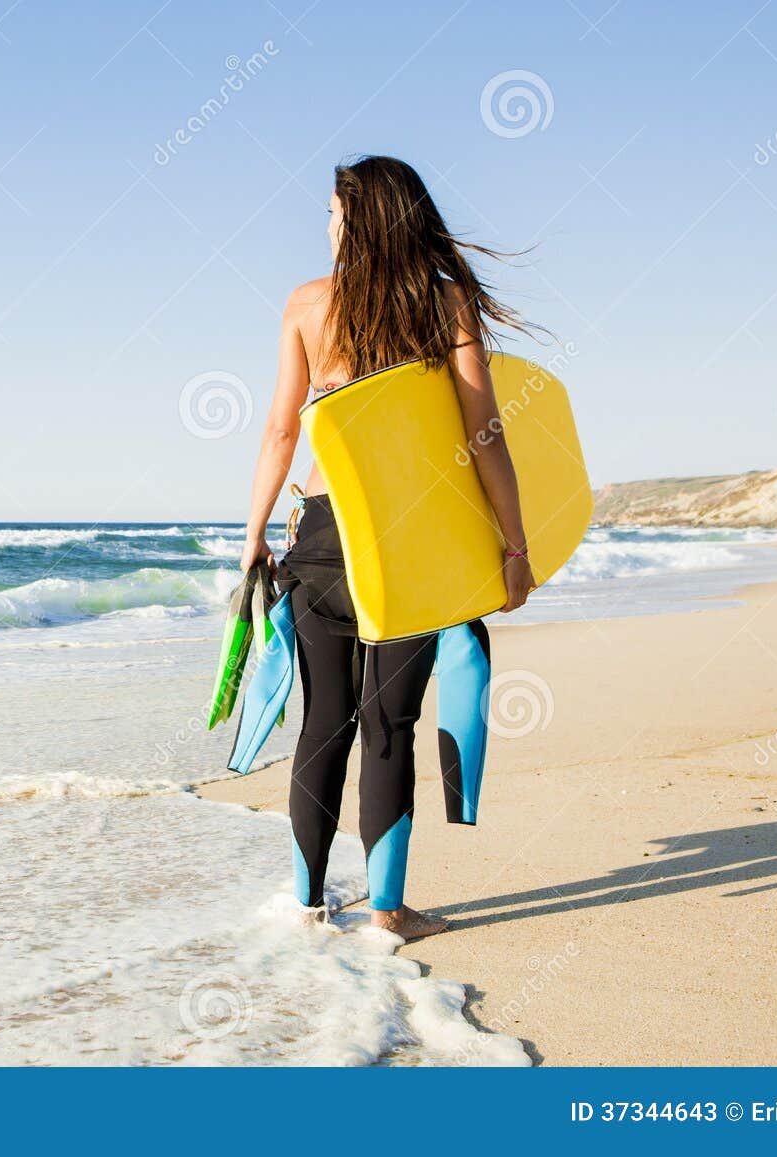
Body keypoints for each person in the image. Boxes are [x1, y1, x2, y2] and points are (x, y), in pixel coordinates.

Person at [239, 155, 538, 941]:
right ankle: (387, 911)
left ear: (362, 218)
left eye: (334, 212)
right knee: (387, 727)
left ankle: (306, 905)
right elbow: (484, 437)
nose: (327, 225)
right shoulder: (444, 303)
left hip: (323, 533)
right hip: (410, 541)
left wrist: (254, 537)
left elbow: (280, 430)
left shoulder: (307, 304)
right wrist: (514, 546)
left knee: (322, 724)